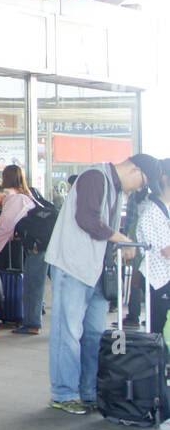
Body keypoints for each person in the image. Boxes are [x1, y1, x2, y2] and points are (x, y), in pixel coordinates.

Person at [43, 153, 160, 414]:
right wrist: (120, 238)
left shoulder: (114, 187)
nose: (140, 188)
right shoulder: (95, 177)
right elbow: (86, 220)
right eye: (142, 182)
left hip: (94, 270)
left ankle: (88, 392)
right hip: (72, 266)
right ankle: (64, 393)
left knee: (94, 335)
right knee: (68, 333)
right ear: (135, 169)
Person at [0, 167, 42, 335]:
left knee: (33, 285)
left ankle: (32, 324)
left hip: (38, 247)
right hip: (43, 244)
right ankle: (33, 320)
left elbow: (3, 231)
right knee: (34, 284)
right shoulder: (27, 195)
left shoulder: (13, 199)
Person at [135, 159, 170, 340]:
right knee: (159, 331)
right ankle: (159, 365)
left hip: (165, 277)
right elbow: (164, 251)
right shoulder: (151, 211)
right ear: (164, 179)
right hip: (159, 279)